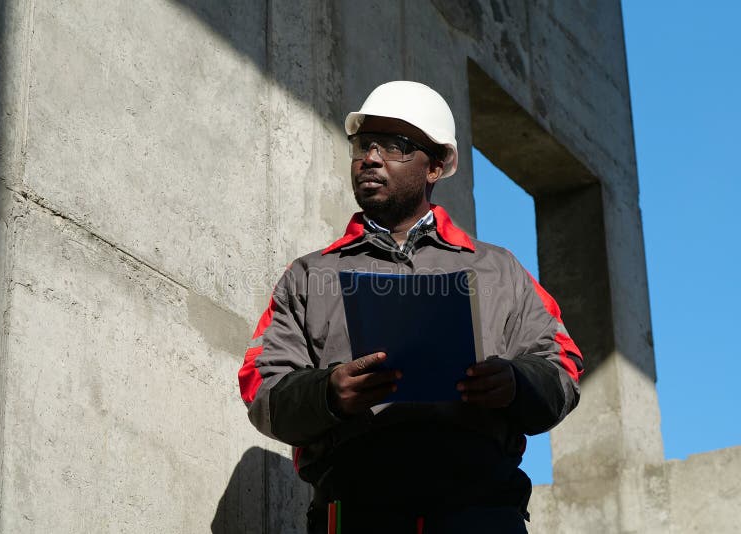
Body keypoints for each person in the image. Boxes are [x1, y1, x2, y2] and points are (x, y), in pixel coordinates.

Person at [238, 81, 583, 533]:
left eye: (395, 146)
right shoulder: (309, 276)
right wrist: (328, 393)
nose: (371, 158)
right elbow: (260, 386)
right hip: (356, 509)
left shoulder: (500, 270)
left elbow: (564, 366)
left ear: (435, 166)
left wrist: (516, 383)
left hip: (480, 510)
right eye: (364, 144)